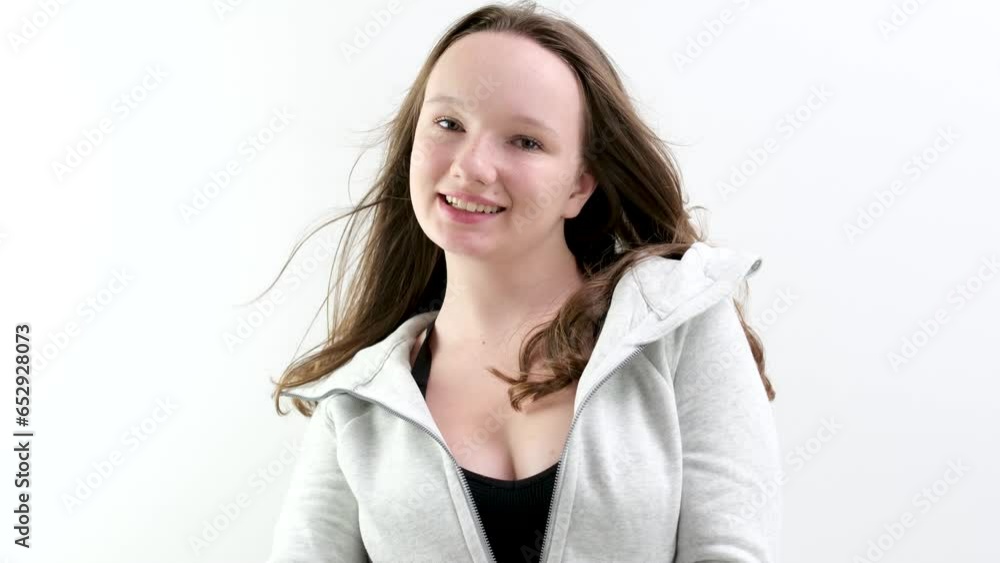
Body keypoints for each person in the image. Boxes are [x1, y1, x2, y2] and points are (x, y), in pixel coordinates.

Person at [265, 2, 781, 562]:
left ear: (579, 186)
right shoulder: (359, 396)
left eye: (525, 141)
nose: (472, 166)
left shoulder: (679, 320)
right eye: (448, 124)